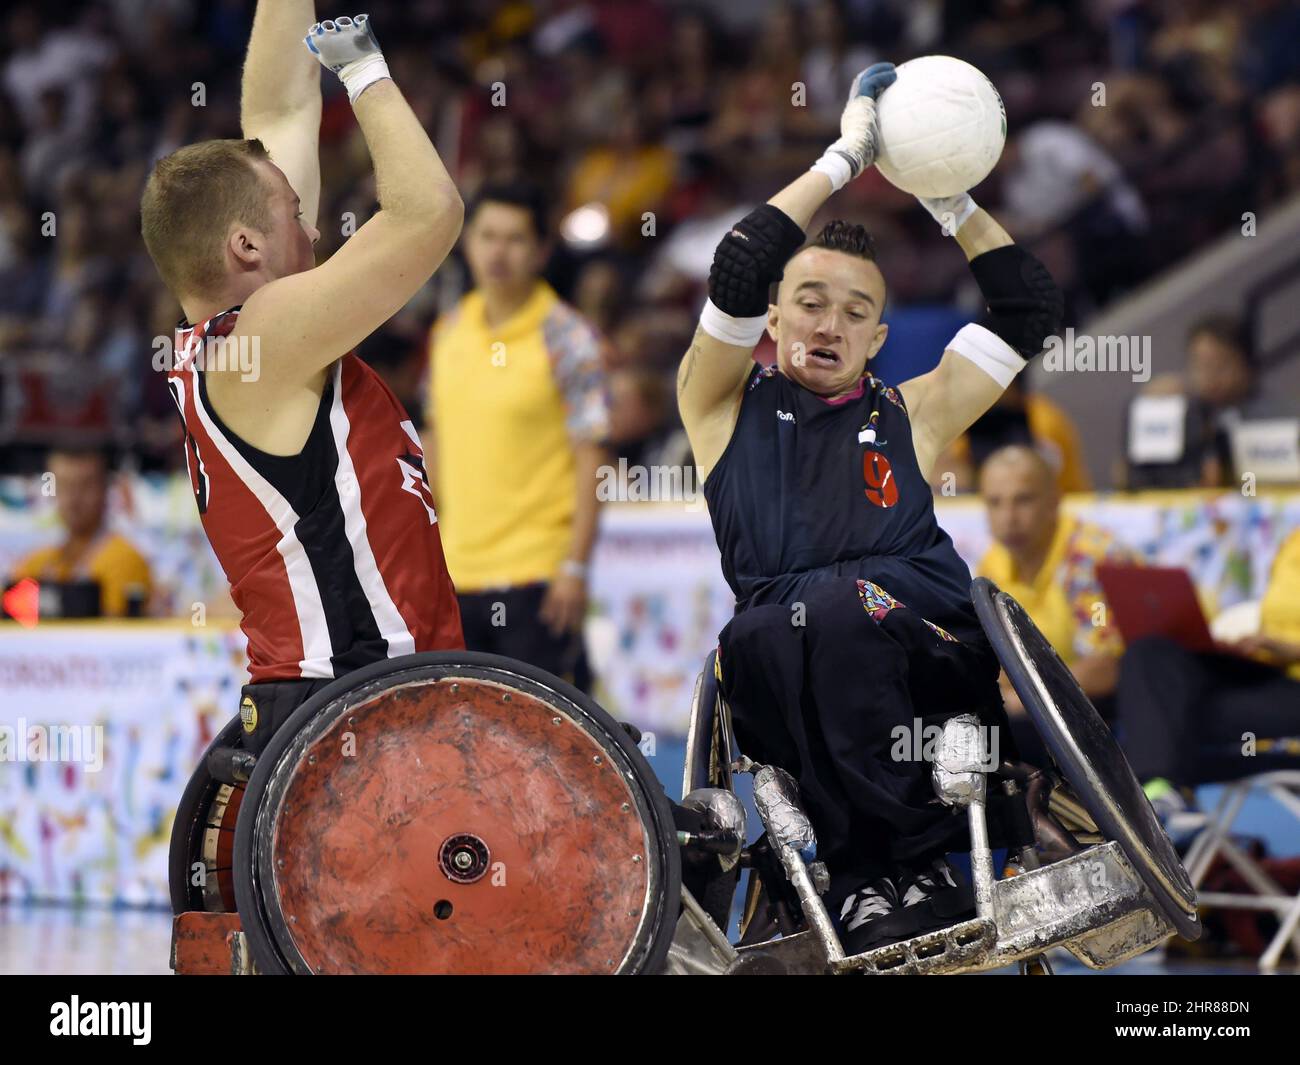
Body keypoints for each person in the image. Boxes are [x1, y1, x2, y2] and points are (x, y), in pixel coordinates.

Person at [676, 63, 1064, 952]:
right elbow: (738, 263)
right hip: (790, 657)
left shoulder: (914, 410)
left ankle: (921, 864)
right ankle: (855, 879)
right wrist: (847, 155)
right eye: (809, 302)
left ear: (879, 339)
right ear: (772, 320)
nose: (830, 323)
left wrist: (948, 197)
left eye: (856, 312)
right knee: (758, 635)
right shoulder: (718, 403)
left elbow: (1030, 308)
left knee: (846, 611)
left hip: (922, 649)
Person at [139, 8, 464, 754]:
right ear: (246, 244)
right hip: (358, 706)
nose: (316, 230)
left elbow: (282, 109)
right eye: (297, 214)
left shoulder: (233, 344)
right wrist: (361, 66)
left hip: (334, 699)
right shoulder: (265, 337)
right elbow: (428, 213)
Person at [426, 183, 612, 691]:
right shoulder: (447, 333)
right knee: (461, 742)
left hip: (538, 576)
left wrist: (575, 564)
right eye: (487, 236)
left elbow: (592, 455)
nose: (498, 252)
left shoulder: (567, 336)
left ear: (540, 251)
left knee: (548, 746)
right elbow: (435, 442)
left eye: (515, 239)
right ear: (468, 244)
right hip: (457, 576)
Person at [1115, 528, 1300, 827]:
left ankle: (1155, 798)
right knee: (1149, 652)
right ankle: (1159, 792)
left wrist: (1293, 648)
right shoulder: (1295, 540)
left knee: (1165, 713)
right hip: (1272, 669)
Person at [975, 445, 1134, 759]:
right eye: (995, 503)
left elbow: (1105, 668)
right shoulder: (992, 565)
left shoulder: (1091, 557)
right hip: (1043, 705)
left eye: (1023, 500)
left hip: (1103, 710)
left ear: (1054, 502)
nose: (1009, 518)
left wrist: (1022, 703)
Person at [9, 446, 151, 617]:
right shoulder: (37, 562)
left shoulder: (124, 559)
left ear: (105, 489)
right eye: (63, 486)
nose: (73, 498)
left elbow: (115, 634)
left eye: (85, 485)